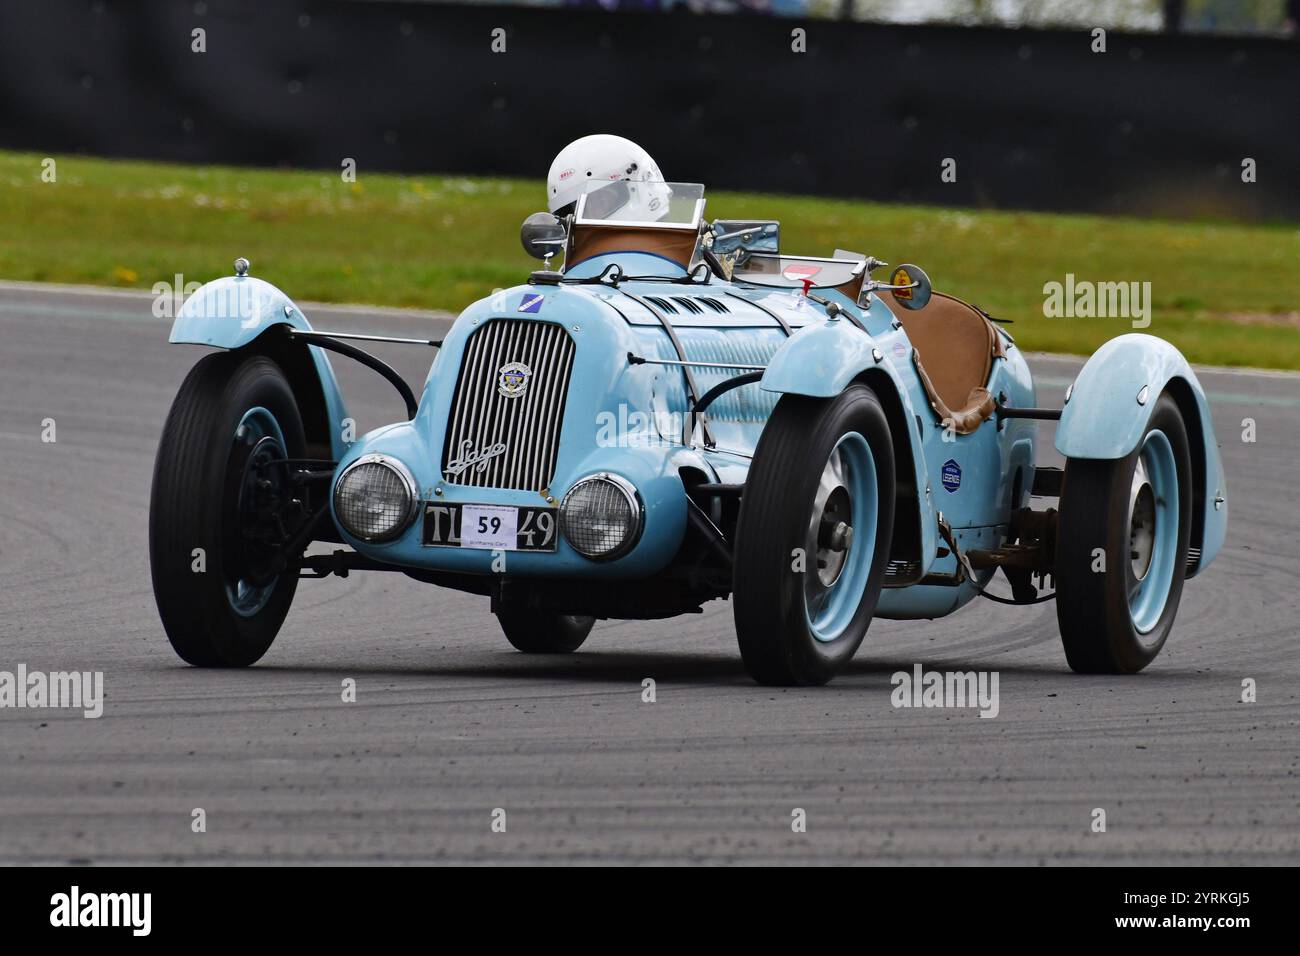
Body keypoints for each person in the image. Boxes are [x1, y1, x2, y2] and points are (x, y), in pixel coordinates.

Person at [546, 134, 672, 222]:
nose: (593, 213)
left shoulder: (682, 256)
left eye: (601, 199)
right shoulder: (580, 260)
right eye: (583, 209)